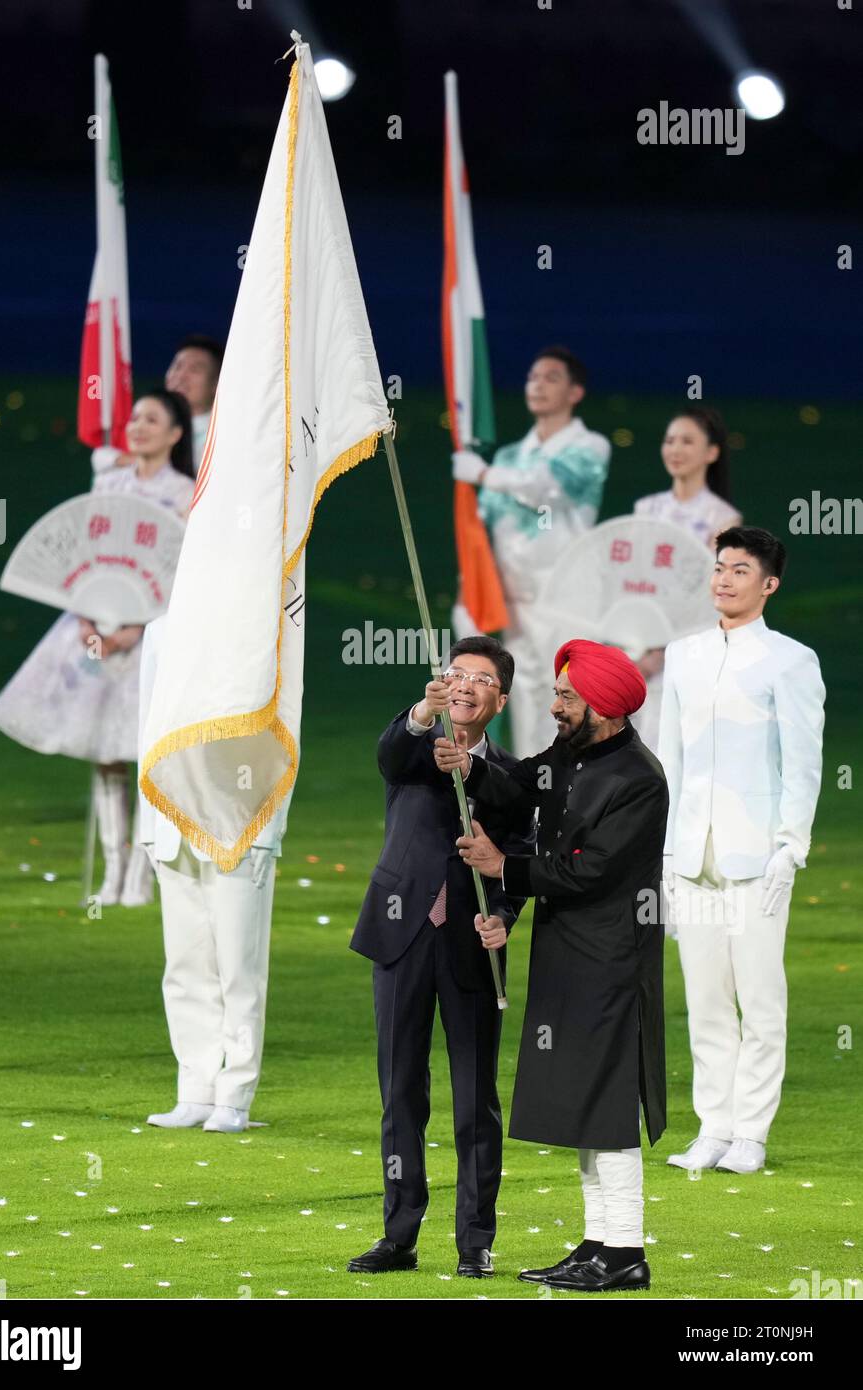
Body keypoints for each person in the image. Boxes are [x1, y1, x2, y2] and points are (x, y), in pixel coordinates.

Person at [439, 639, 668, 1292]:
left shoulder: (639, 780)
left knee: (607, 1107)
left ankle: (625, 1252)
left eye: (567, 698)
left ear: (605, 706)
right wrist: (471, 768)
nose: (555, 708)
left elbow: (591, 870)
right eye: (556, 694)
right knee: (583, 1106)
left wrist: (502, 868)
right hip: (568, 957)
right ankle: (597, 1244)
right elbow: (517, 789)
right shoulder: (571, 755)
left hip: (611, 964)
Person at [348, 636, 537, 1278]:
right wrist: (422, 715)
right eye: (455, 673)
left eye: (479, 679)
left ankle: (474, 1240)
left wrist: (504, 919)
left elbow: (518, 855)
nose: (464, 685)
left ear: (499, 699)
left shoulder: (511, 775)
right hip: (400, 937)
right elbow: (390, 755)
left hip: (470, 948)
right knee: (401, 1090)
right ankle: (398, 1234)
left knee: (475, 1098)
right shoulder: (417, 747)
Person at [0, 389, 196, 907]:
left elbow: (181, 575)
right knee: (104, 756)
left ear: (174, 433)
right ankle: (112, 868)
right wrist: (86, 617)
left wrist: (138, 626)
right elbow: (86, 558)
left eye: (152, 419)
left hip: (151, 638)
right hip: (94, 635)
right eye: (134, 418)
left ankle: (143, 873)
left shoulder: (185, 494)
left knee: (147, 754)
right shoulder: (110, 483)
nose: (138, 427)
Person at [659, 526, 825, 1175]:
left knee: (758, 997)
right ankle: (713, 1126)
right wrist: (666, 852)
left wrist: (791, 845)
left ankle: (750, 1133)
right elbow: (668, 757)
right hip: (690, 855)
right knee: (703, 998)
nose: (723, 579)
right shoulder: (683, 655)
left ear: (768, 583)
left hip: (757, 856)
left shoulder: (790, 660)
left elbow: (802, 763)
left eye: (739, 570)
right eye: (719, 568)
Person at [136, 615, 289, 1133]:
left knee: (238, 967)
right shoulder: (161, 631)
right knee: (185, 963)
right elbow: (147, 726)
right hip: (172, 819)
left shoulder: (264, 632)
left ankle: (235, 1093)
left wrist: (272, 827)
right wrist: (148, 824)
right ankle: (195, 1088)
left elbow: (282, 734)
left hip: (239, 820)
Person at [452, 346, 611, 757]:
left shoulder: (590, 447)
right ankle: (535, 804)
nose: (537, 385)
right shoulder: (510, 455)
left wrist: (484, 474)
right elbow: (483, 534)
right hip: (517, 600)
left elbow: (548, 488)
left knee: (572, 696)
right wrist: (469, 589)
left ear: (575, 392)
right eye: (533, 377)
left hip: (569, 598)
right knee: (523, 698)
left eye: (551, 378)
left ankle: (580, 800)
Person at [632, 406, 743, 750]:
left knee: (670, 751)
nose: (675, 449)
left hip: (688, 645)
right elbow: (630, 577)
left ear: (711, 453)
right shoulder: (645, 508)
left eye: (687, 441)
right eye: (670, 441)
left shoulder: (723, 517)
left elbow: (707, 593)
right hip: (637, 640)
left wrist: (660, 650)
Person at [91, 335, 223, 476]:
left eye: (194, 370)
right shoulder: (145, 414)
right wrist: (133, 460)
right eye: (177, 366)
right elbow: (101, 457)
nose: (181, 375)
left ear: (216, 385)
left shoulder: (220, 433)